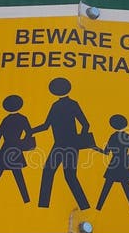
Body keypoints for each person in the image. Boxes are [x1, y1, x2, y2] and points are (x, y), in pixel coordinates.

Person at [32, 77, 91, 209]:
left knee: (60, 174)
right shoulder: (67, 104)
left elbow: (46, 126)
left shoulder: (60, 105)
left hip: (63, 145)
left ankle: (83, 205)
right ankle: (44, 205)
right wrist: (78, 139)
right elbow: (85, 125)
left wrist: (32, 131)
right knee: (63, 174)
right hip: (65, 145)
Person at [0, 95, 34, 204]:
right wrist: (22, 143)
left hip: (5, 148)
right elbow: (29, 132)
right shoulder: (23, 118)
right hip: (16, 148)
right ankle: (26, 200)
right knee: (18, 175)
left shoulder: (6, 119)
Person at [95, 114, 129, 212]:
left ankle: (98, 207)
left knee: (108, 186)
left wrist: (95, 148)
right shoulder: (127, 136)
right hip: (122, 163)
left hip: (115, 163)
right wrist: (128, 159)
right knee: (125, 187)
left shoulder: (113, 136)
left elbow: (106, 152)